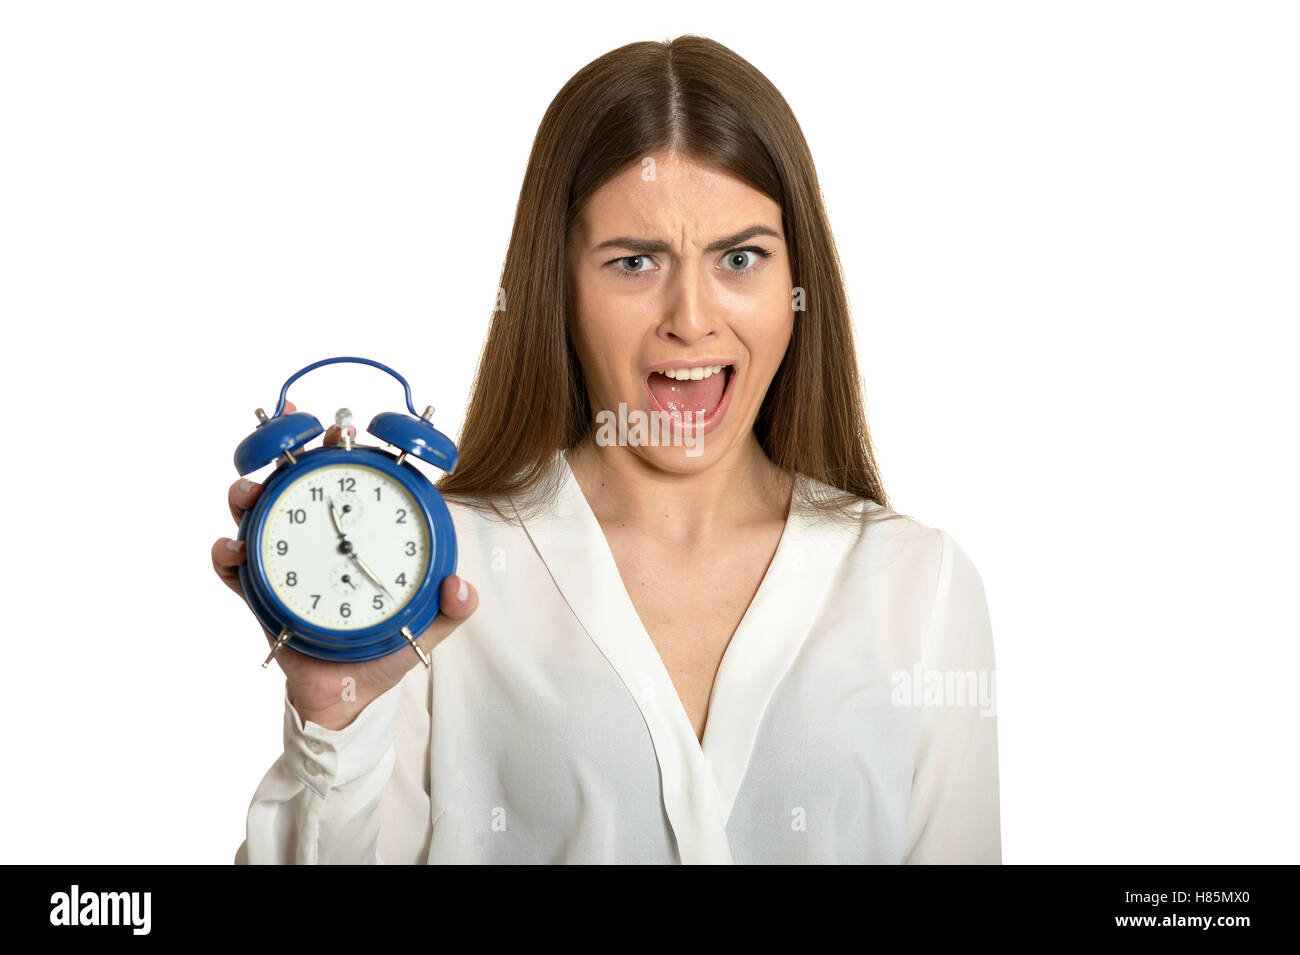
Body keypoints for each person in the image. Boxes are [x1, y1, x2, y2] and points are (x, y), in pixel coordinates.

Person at [211, 35, 1001, 864]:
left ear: (797, 285)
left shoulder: (921, 583)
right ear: (559, 288)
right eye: (634, 262)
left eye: (741, 257)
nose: (691, 318)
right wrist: (335, 709)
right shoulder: (440, 579)